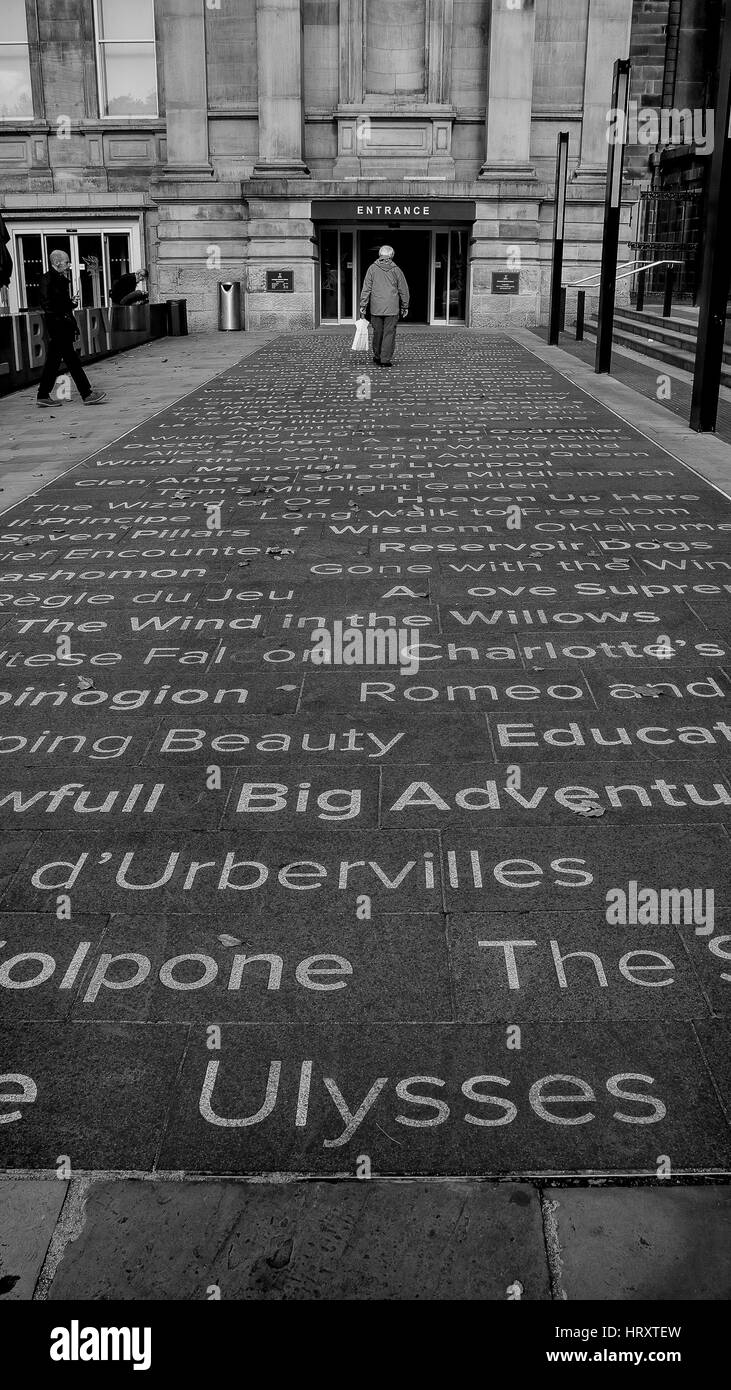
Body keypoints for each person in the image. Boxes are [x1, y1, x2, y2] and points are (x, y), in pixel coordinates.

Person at [36, 250, 106, 407]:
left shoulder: (59, 279)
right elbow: (49, 305)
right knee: (72, 360)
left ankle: (42, 395)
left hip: (62, 324)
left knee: (54, 362)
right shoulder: (47, 279)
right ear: (57, 262)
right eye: (66, 262)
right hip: (58, 326)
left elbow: (59, 303)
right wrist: (68, 304)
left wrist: (71, 302)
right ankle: (87, 394)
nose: (68, 265)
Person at [359, 245, 409, 367]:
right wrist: (405, 306)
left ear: (380, 255)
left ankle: (377, 356)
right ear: (391, 255)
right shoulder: (396, 270)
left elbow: (366, 288)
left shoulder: (372, 269)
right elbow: (403, 289)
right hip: (392, 309)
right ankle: (385, 359)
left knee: (377, 332)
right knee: (389, 333)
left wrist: (363, 305)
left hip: (376, 308)